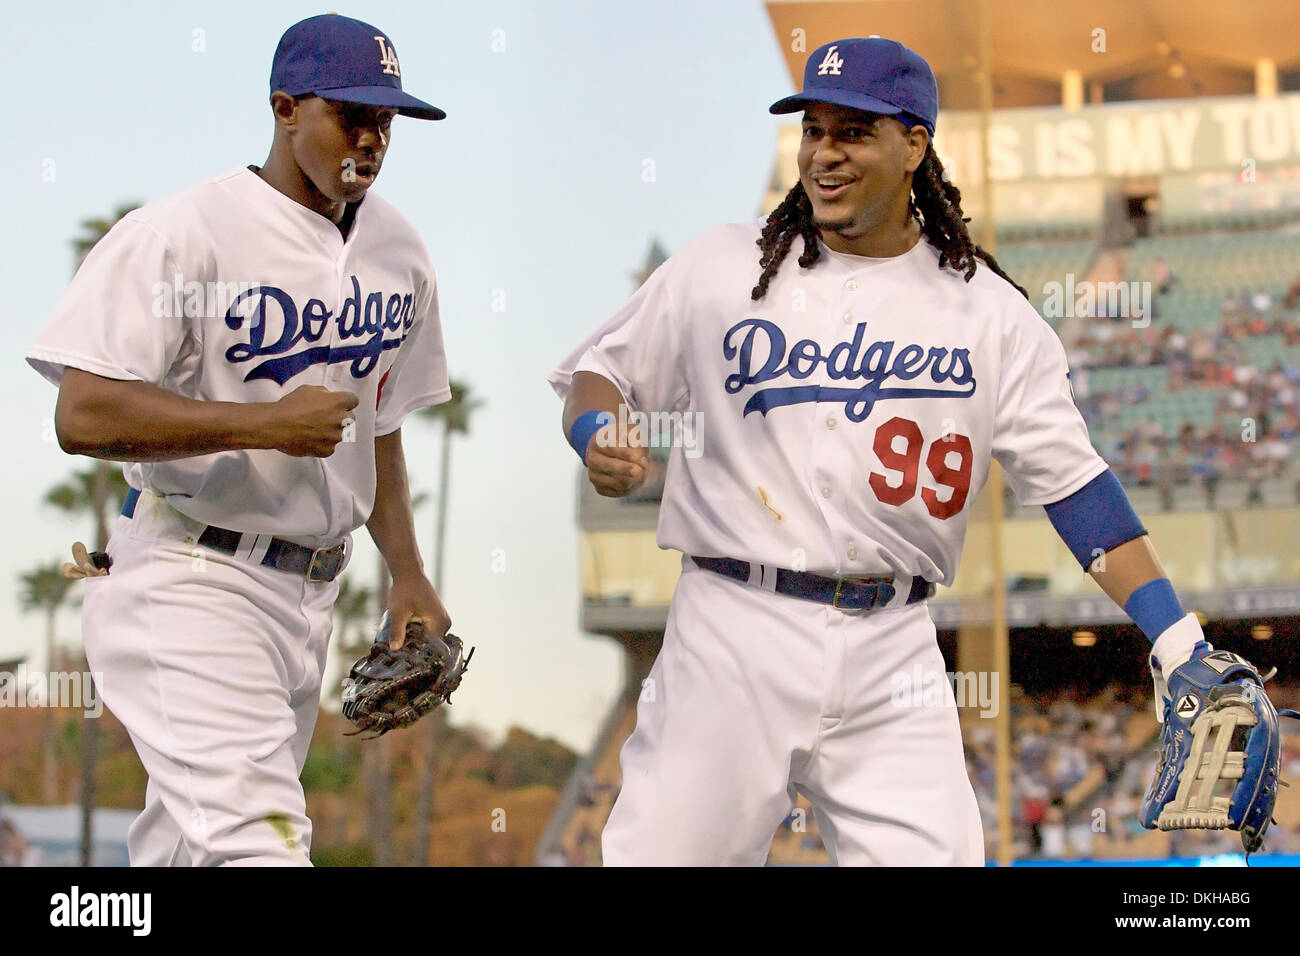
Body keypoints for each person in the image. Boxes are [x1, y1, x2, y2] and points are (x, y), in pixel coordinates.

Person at [548, 37, 1236, 865]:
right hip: (732, 628)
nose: (825, 152)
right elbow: (598, 373)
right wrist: (598, 431)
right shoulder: (720, 268)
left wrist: (1175, 636)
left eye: (854, 131)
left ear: (914, 144)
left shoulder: (989, 315)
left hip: (895, 643)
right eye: (814, 130)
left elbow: (1076, 489)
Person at [27, 13, 453, 866]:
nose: (370, 139)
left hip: (309, 601)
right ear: (285, 107)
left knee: (188, 852)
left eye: (386, 121)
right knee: (261, 845)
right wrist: (260, 425)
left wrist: (407, 570)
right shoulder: (183, 233)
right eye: (351, 114)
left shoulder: (399, 249)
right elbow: (82, 413)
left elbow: (383, 424)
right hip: (192, 580)